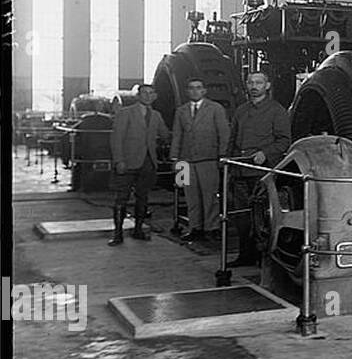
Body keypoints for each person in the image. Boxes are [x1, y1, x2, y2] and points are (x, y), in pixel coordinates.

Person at [227, 70, 292, 267]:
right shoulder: (241, 111)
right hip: (240, 171)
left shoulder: (277, 111)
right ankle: (245, 255)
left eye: (258, 83)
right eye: (250, 82)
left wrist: (265, 153)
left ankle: (264, 258)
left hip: (261, 175)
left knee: (263, 217)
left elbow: (284, 141)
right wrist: (229, 164)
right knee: (242, 216)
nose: (254, 86)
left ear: (267, 86)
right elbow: (232, 140)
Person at [107, 84, 169, 246]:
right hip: (127, 162)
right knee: (121, 198)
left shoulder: (156, 115)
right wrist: (119, 160)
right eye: (144, 93)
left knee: (143, 197)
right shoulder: (125, 113)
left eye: (151, 93)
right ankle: (118, 234)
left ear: (155, 96)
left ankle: (138, 230)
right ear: (138, 96)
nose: (148, 96)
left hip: (148, 163)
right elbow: (116, 139)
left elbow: (165, 135)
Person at [171, 78, 230, 244]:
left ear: (204, 91)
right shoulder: (181, 111)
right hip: (186, 162)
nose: (195, 91)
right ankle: (195, 228)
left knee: (210, 196)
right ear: (187, 91)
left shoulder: (215, 109)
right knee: (190, 196)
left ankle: (212, 228)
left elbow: (224, 133)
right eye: (191, 88)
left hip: (208, 159)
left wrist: (222, 155)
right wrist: (175, 158)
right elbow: (177, 136)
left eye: (198, 88)